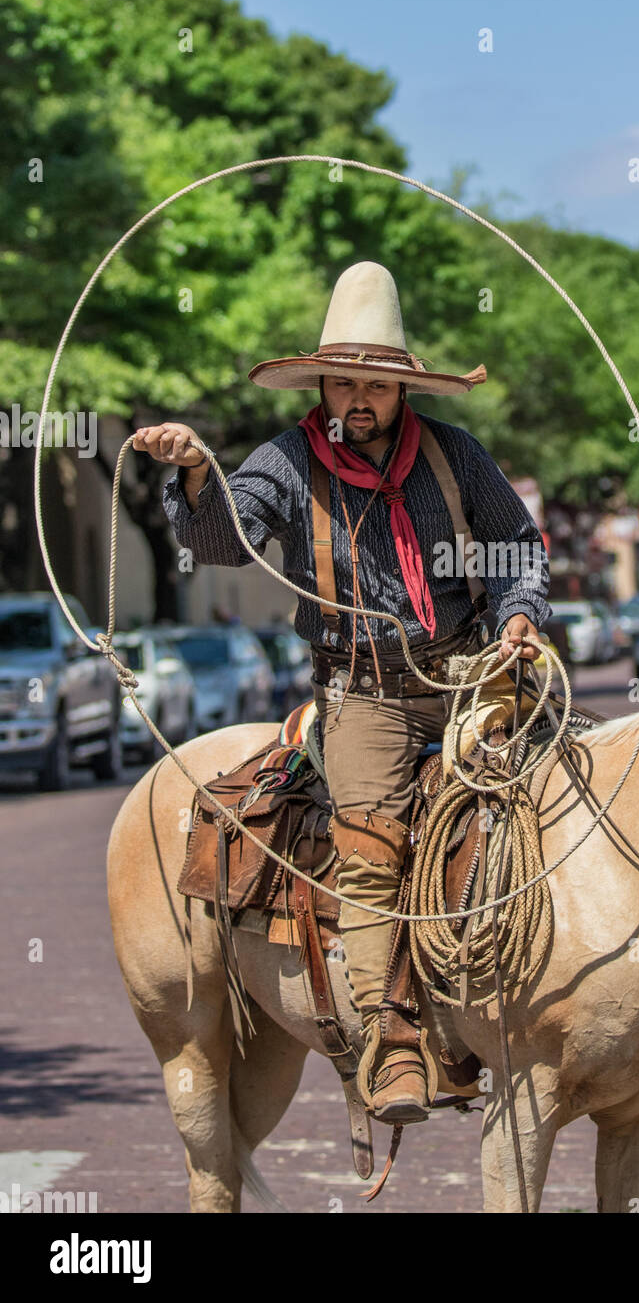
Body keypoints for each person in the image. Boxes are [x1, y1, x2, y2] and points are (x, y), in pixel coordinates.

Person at [136, 261, 551, 1123]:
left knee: (565, 782)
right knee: (371, 846)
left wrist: (517, 615)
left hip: (471, 667)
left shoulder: (454, 454)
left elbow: (517, 541)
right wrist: (195, 475)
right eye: (342, 380)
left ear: (402, 387)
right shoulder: (285, 461)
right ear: (321, 381)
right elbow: (222, 540)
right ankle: (394, 1041)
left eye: (373, 382)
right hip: (365, 692)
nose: (355, 398)